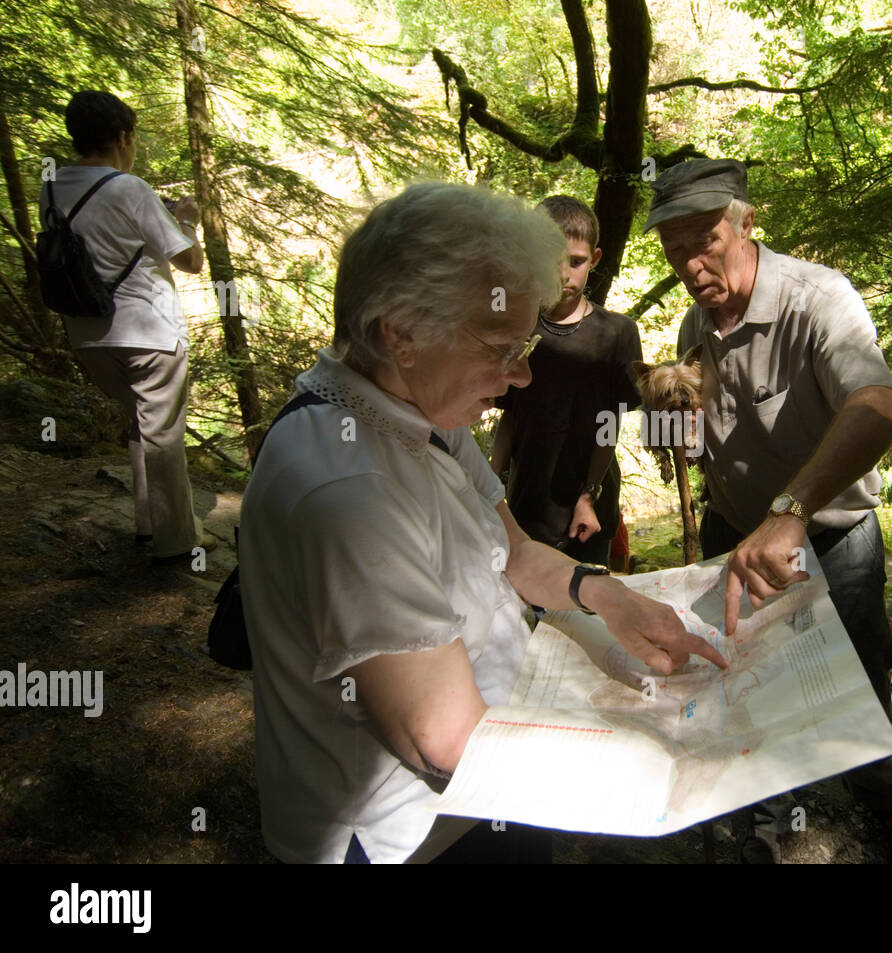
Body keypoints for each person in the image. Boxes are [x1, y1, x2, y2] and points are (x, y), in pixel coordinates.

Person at [239, 182, 726, 864]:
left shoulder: (418, 412)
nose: (521, 375)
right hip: (412, 833)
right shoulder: (352, 486)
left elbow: (515, 553)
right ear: (399, 334)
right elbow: (446, 743)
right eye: (501, 347)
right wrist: (658, 749)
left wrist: (609, 595)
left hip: (489, 784)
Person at [647, 158, 892, 860]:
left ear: (746, 222)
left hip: (834, 541)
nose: (689, 261)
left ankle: (886, 813)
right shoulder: (697, 318)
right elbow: (698, 430)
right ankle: (768, 828)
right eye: (672, 246)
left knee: (851, 690)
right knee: (745, 688)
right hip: (733, 535)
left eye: (703, 238)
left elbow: (878, 408)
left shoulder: (817, 299)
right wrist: (676, 423)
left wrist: (792, 508)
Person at [41, 91, 208, 562]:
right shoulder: (130, 189)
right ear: (121, 137)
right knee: (163, 434)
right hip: (149, 335)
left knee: (139, 423)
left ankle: (147, 524)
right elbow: (190, 261)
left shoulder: (51, 187)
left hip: (88, 335)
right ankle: (178, 545)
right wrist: (189, 222)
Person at [491, 196, 643, 567]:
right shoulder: (518, 326)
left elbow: (610, 423)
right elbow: (508, 417)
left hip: (588, 511)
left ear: (595, 258)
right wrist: (490, 487)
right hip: (526, 505)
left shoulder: (617, 333)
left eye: (576, 262)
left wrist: (589, 495)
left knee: (586, 610)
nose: (563, 274)